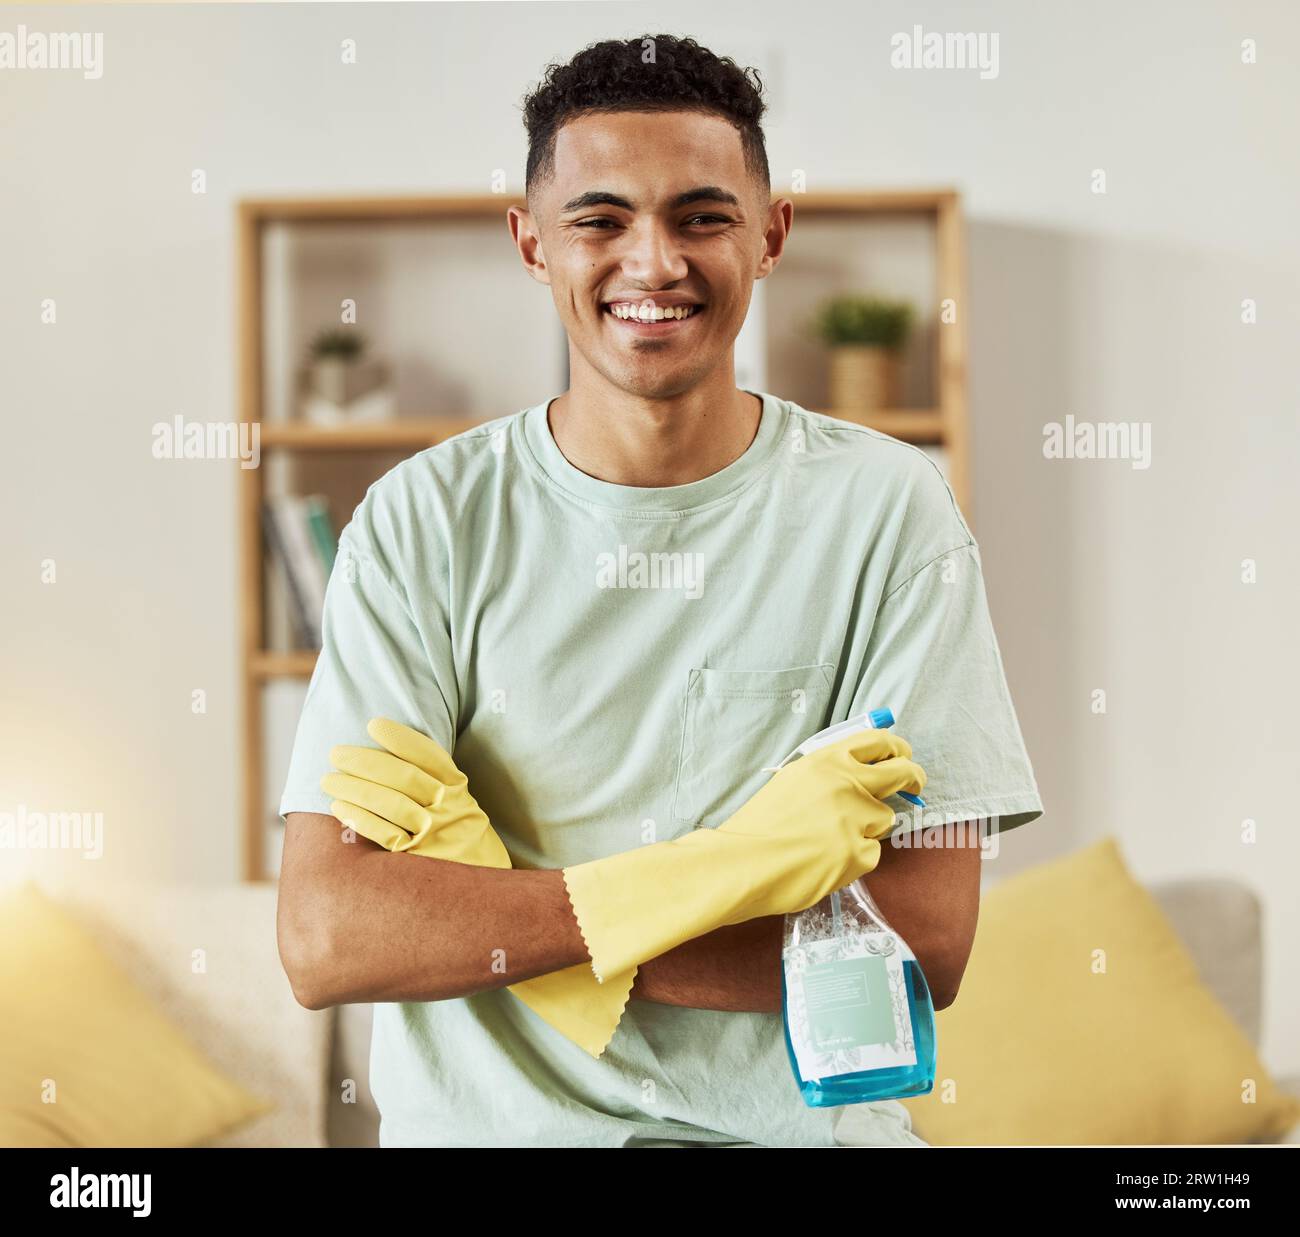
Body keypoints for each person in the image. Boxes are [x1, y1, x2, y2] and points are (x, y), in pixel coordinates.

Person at [276, 32, 1043, 1148]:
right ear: (531, 245)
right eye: (600, 220)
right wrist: (736, 871)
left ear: (769, 234)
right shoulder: (420, 522)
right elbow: (330, 936)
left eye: (701, 216)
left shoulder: (888, 512)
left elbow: (925, 945)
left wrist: (494, 913)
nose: (653, 264)